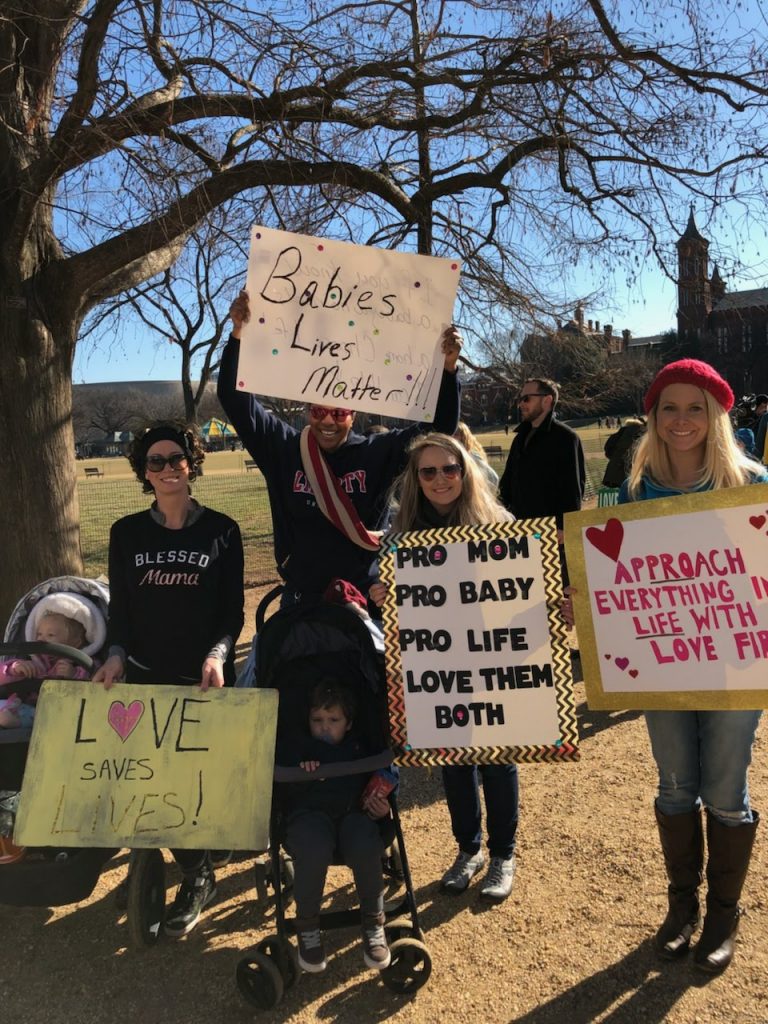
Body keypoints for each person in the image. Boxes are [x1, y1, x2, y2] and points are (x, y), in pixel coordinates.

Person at [619, 358, 765, 975]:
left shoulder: (752, 482)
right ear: (653, 415)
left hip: (736, 663)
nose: (683, 420)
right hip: (662, 664)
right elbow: (612, 583)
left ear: (716, 417)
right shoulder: (632, 492)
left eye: (696, 408)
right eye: (670, 408)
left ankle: (723, 916)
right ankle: (682, 908)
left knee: (725, 791)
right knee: (676, 785)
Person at [93, 422, 245, 939]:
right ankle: (194, 867)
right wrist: (114, 656)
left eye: (175, 458)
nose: (166, 468)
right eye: (154, 461)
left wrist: (220, 654)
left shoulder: (223, 531)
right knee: (151, 782)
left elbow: (232, 612)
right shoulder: (125, 533)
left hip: (200, 681)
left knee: (194, 783)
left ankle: (198, 871)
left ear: (192, 463)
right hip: (142, 680)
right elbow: (123, 613)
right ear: (143, 472)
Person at [217, 289, 462, 607]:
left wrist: (448, 368)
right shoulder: (286, 448)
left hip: (364, 597)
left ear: (354, 414)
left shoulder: (378, 452)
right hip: (302, 599)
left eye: (339, 413)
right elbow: (235, 400)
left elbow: (438, 430)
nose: (327, 422)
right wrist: (238, 335)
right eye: (318, 411)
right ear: (308, 411)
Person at [371, 433, 519, 901]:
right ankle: (468, 849)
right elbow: (389, 603)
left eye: (449, 469)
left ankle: (502, 855)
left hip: (491, 659)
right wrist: (382, 594)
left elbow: (523, 593)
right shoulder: (399, 537)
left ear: (465, 471)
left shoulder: (499, 524)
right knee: (454, 763)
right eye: (428, 471)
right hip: (435, 665)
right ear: (415, 479)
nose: (440, 479)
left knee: (497, 761)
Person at [283, 679, 393, 974]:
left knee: (366, 843)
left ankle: (373, 921)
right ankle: (307, 926)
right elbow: (282, 794)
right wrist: (300, 775)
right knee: (312, 847)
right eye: (317, 720)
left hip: (352, 814)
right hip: (309, 815)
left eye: (333, 720)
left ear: (349, 723)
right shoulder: (298, 748)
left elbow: (380, 782)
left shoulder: (360, 747)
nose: (324, 727)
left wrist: (381, 810)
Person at [498, 378, 585, 582]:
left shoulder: (566, 438)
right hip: (518, 530)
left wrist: (564, 526)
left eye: (527, 398)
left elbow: (573, 487)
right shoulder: (520, 437)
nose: (521, 404)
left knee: (550, 592)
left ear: (547, 401)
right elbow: (508, 481)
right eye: (520, 399)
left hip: (550, 534)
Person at [0, 592, 105, 727]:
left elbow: (96, 686)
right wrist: (14, 669)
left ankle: (15, 722)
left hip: (64, 713)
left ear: (76, 642)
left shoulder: (84, 663)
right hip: (29, 705)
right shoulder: (34, 660)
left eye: (50, 635)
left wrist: (74, 674)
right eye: (39, 633)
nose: (41, 639)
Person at [601, 417, 646, 488]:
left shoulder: (618, 434)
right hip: (634, 470)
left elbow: (607, 449)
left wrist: (615, 459)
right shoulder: (642, 435)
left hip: (614, 469)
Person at [453, 420, 499, 489]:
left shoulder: (471, 456)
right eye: (451, 434)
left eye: (456, 434)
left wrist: (484, 496)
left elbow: (493, 478)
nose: (452, 437)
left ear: (463, 437)